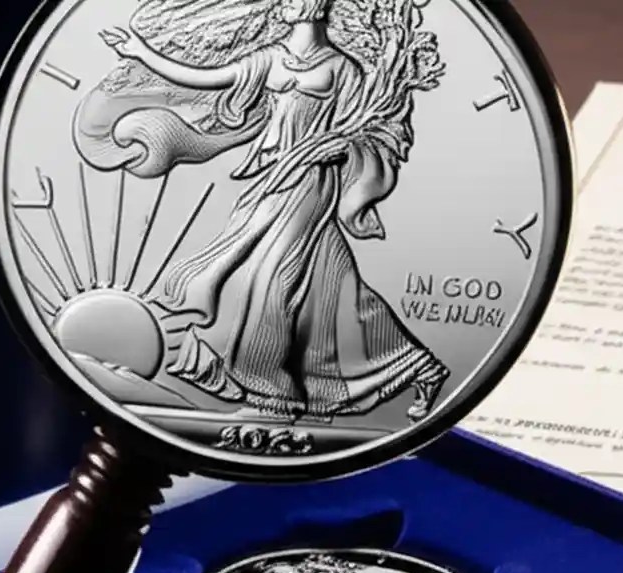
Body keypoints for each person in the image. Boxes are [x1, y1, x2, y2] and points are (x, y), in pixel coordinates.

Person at [92, 0, 449, 422]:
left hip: (312, 179)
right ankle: (416, 366)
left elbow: (364, 130)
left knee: (269, 278)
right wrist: (142, 52)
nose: (285, 4)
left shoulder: (342, 69)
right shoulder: (269, 58)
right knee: (324, 282)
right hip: (269, 178)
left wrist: (341, 145)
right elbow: (206, 78)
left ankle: (272, 395)